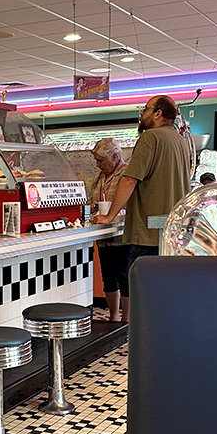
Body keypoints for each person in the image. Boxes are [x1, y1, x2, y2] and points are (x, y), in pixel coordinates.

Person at [96, 94, 191, 268]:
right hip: (172, 232)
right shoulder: (180, 140)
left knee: (144, 290)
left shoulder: (150, 137)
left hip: (149, 234)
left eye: (146, 109)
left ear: (158, 113)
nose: (141, 113)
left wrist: (109, 216)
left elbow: (129, 180)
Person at [90, 137, 130, 322]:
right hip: (103, 235)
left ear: (115, 157)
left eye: (101, 160)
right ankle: (113, 317)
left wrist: (112, 215)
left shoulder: (127, 174)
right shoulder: (100, 177)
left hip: (122, 235)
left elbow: (130, 204)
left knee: (125, 277)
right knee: (108, 277)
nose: (98, 165)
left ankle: (127, 319)